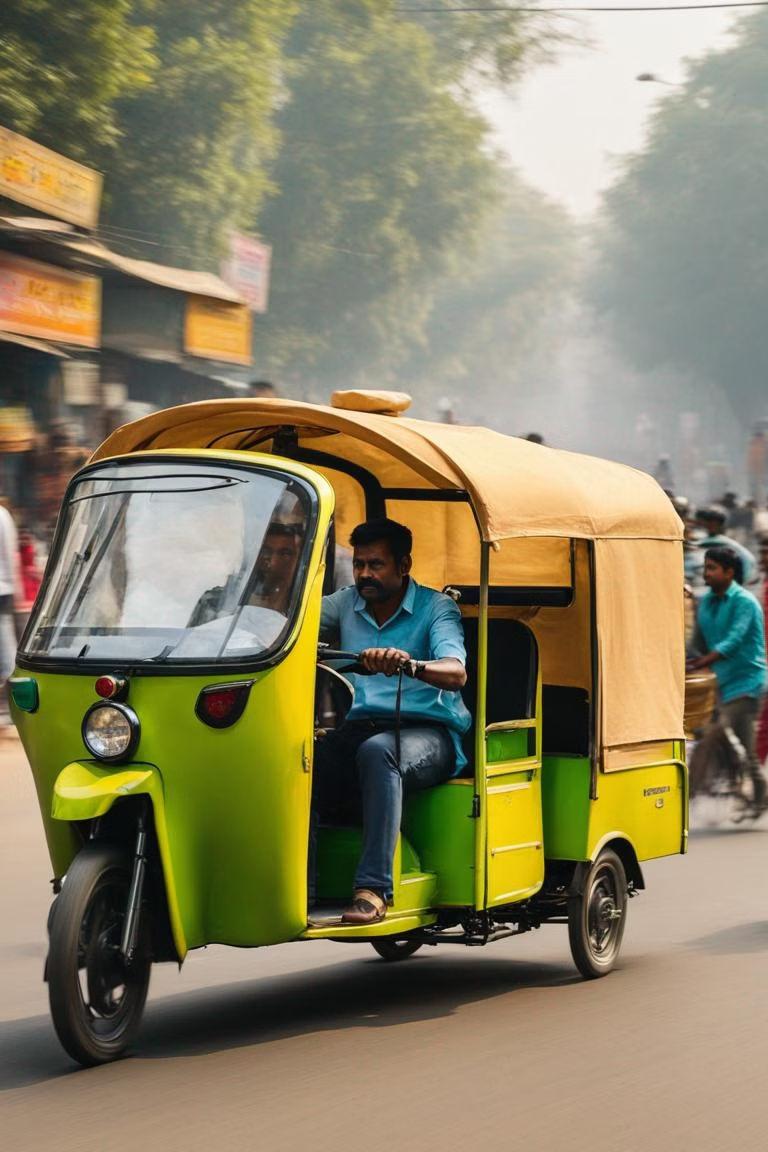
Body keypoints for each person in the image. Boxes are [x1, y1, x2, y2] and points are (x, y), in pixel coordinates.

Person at [313, 518, 470, 925]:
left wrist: (410, 664)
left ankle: (373, 889)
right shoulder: (346, 603)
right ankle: (301, 881)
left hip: (429, 735)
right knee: (302, 757)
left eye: (376, 565)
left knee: (378, 753)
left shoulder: (438, 608)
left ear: (404, 565)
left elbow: (456, 671)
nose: (365, 574)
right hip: (360, 728)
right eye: (360, 564)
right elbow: (293, 624)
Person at [689, 546, 767, 811]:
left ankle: (758, 797)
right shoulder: (707, 602)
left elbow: (734, 640)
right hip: (720, 683)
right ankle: (736, 780)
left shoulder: (744, 601)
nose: (706, 574)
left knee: (723, 736)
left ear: (729, 572)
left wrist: (705, 660)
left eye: (712, 568)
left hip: (747, 682)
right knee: (717, 737)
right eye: (705, 568)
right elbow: (696, 642)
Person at [692, 505, 757, 586]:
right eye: (709, 522)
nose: (711, 526)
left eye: (714, 523)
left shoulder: (725, 543)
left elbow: (748, 561)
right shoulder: (703, 540)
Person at [248, 521, 303, 615]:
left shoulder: (305, 602)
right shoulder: (242, 596)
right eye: (266, 552)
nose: (273, 562)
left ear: (298, 559)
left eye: (285, 554)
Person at [0, 501, 20, 727]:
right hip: (4, 590)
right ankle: (11, 708)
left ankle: (10, 708)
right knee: (6, 651)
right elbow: (10, 554)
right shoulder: (3, 515)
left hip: (3, 591)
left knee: (6, 652)